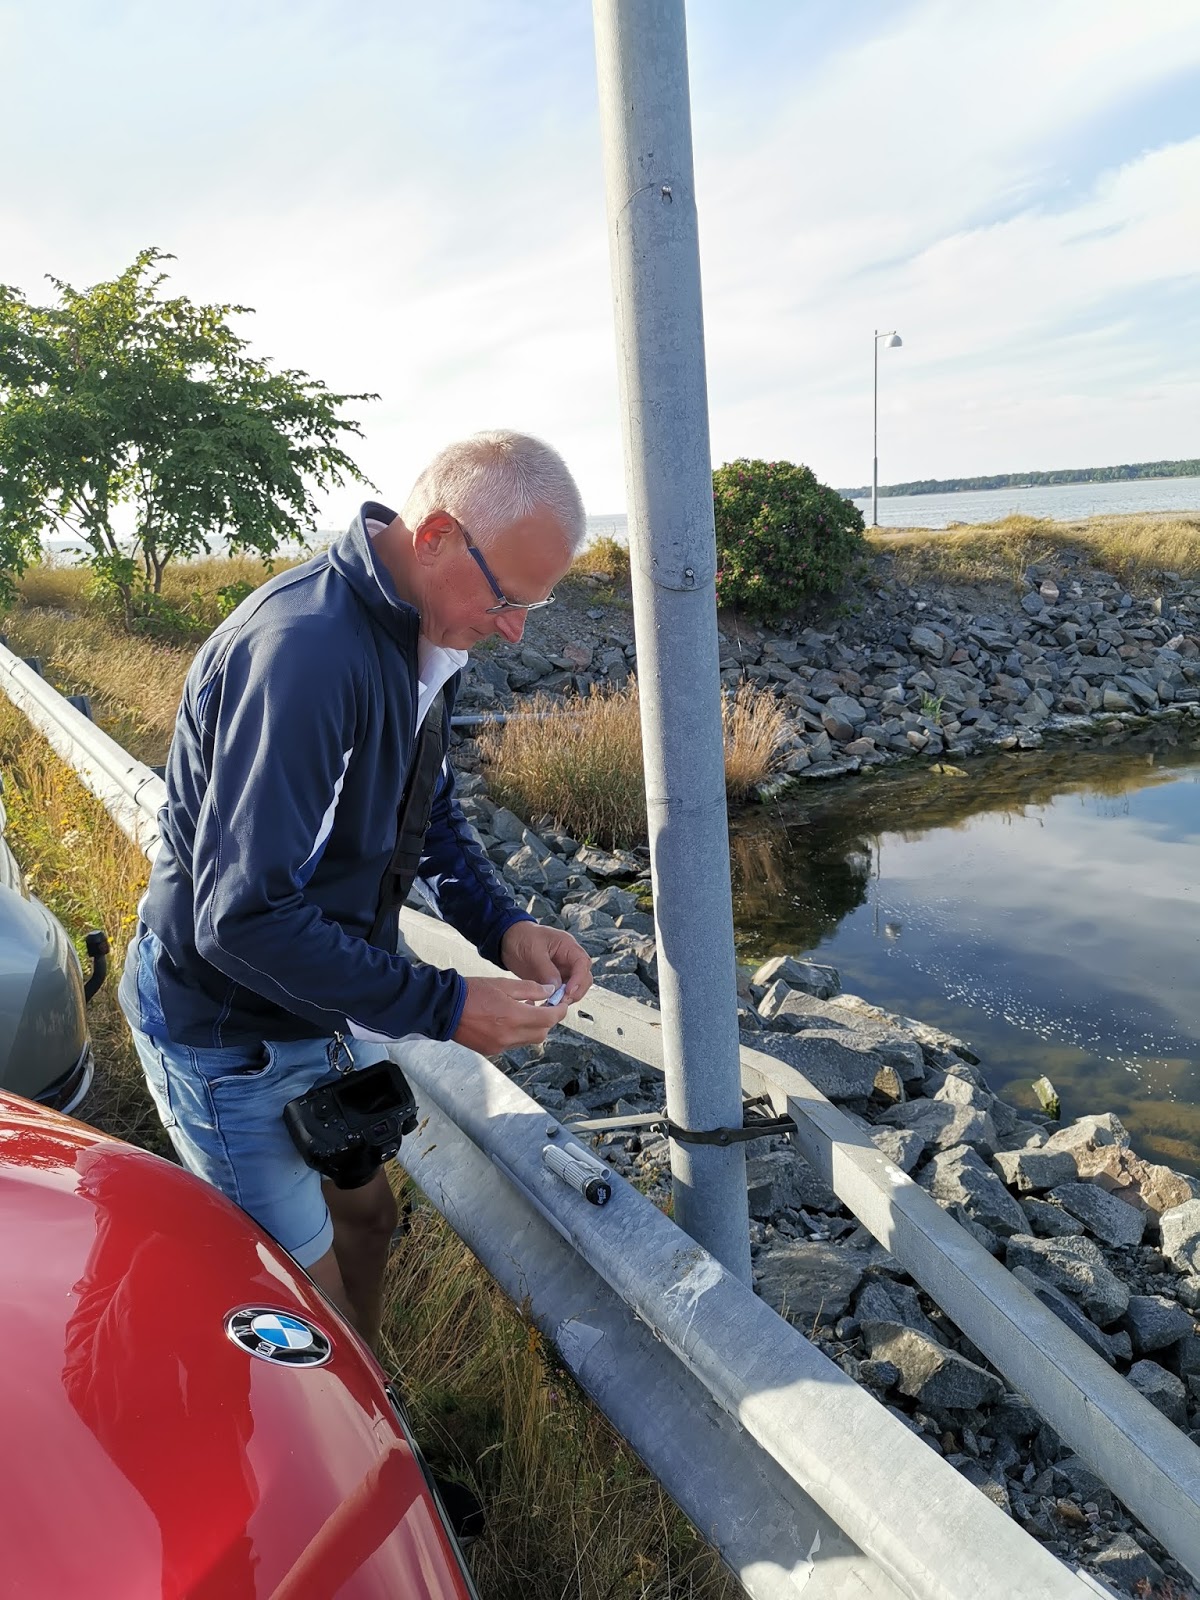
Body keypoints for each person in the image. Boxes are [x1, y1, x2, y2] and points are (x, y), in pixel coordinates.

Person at [119, 430, 593, 1348]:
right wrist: (446, 1005)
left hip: (321, 1008)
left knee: (371, 1221)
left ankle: (371, 1391)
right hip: (229, 1035)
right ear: (438, 536)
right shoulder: (305, 656)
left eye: (531, 606)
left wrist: (503, 928)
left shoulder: (427, 630)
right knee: (306, 1323)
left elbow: (430, 808)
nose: (514, 630)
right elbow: (241, 919)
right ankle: (351, 1403)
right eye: (506, 599)